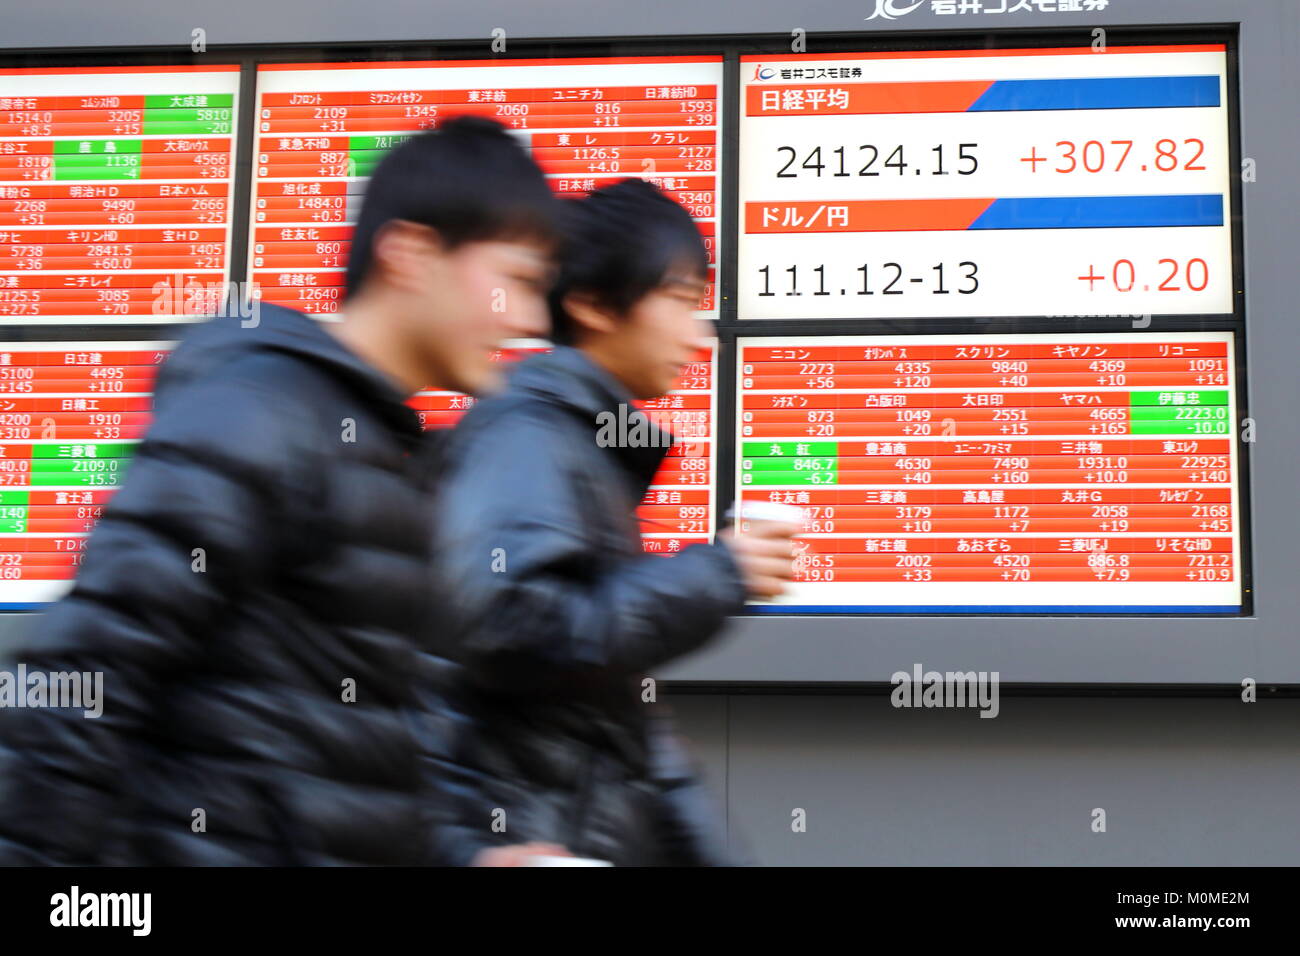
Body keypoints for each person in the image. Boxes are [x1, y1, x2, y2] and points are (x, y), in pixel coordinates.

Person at [0, 116, 561, 865]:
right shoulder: (260, 415)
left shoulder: (395, 458)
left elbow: (361, 767)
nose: (528, 321)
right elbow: (79, 681)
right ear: (412, 255)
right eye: (517, 281)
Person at [426, 178, 798, 866]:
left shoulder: (579, 441)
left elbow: (615, 717)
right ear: (593, 305)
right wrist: (720, 572)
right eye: (683, 302)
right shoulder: (527, 435)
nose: (702, 336)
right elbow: (511, 626)